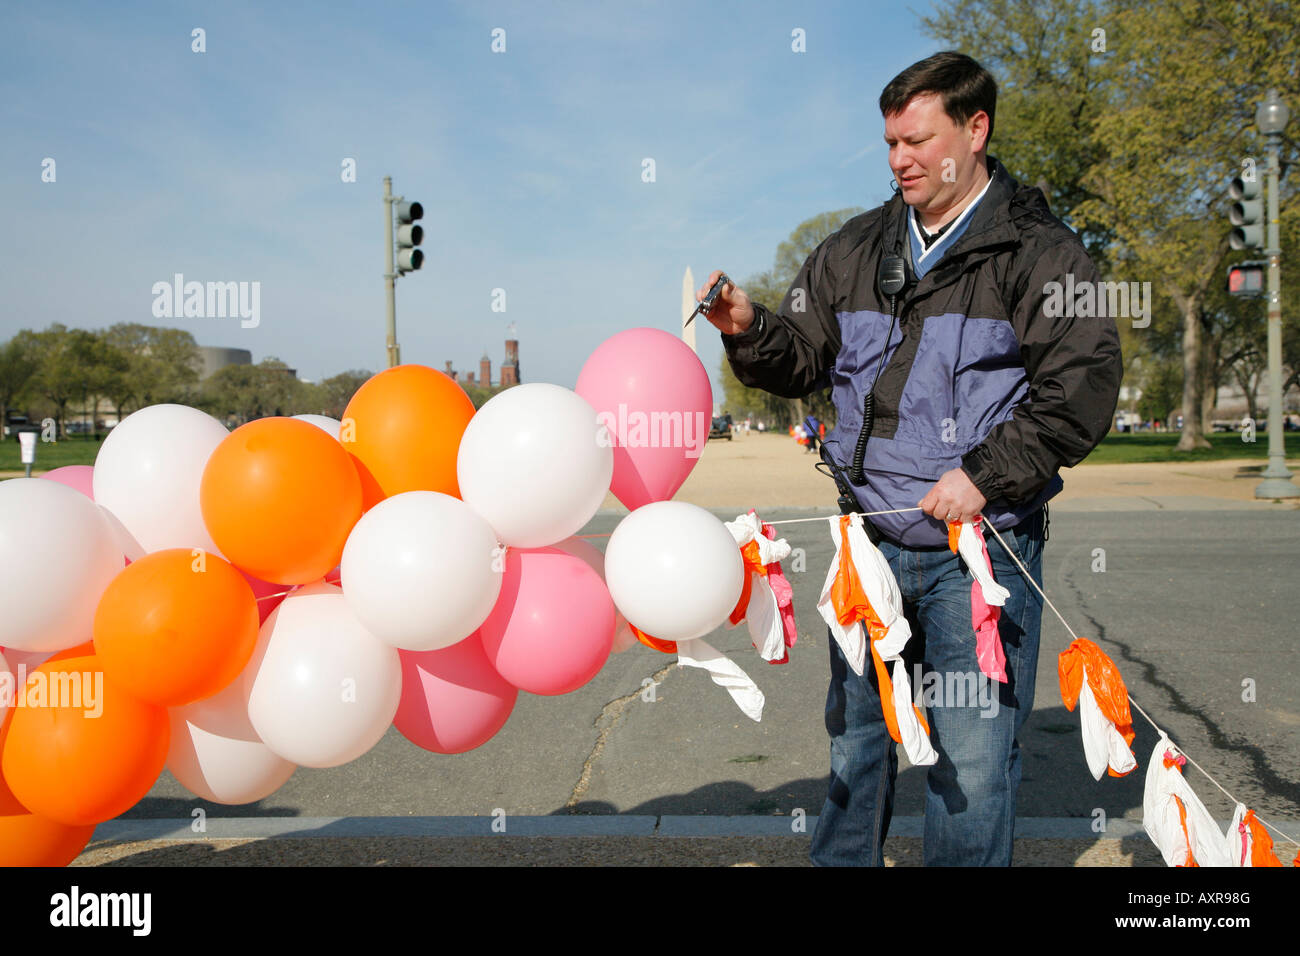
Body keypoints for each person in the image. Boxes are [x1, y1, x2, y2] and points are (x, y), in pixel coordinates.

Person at [698, 51, 1122, 866]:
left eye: (918, 141)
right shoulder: (853, 248)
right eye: (890, 142)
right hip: (868, 551)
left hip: (979, 556)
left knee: (968, 767)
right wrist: (748, 328)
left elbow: (1081, 388)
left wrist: (984, 477)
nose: (899, 160)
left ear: (976, 129)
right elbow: (803, 358)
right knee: (856, 747)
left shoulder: (1043, 252)